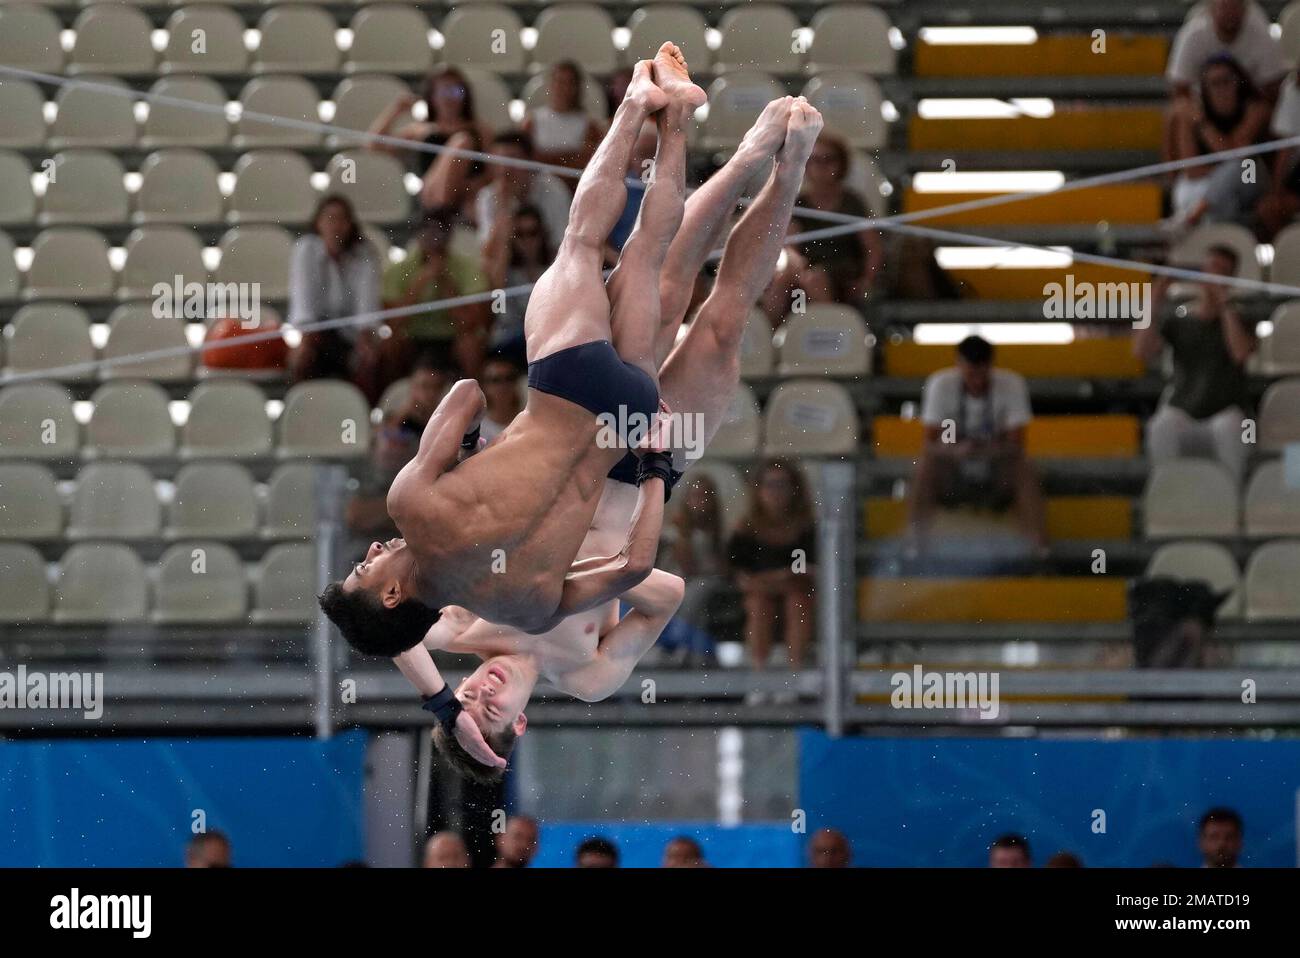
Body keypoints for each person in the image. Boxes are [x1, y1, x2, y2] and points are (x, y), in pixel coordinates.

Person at [391, 97, 822, 782]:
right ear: (521, 723)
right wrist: (578, 585)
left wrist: (443, 707)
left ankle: (749, 154)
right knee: (723, 323)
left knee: (672, 277)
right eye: (493, 714)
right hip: (647, 466)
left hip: (586, 433)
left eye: (472, 697)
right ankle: (791, 166)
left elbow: (380, 628)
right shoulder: (588, 675)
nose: (487, 693)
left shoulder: (458, 626)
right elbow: (668, 593)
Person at [321, 49, 706, 716]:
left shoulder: (517, 609)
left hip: (627, 422)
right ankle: (640, 103)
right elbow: (468, 390)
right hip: (565, 380)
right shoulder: (412, 504)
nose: (373, 550)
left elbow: (635, 570)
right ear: (389, 594)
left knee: (647, 254)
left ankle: (678, 127)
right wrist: (471, 453)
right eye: (367, 567)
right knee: (584, 241)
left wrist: (654, 471)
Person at [906, 335, 1049, 557]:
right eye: (970, 374)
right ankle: (915, 546)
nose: (976, 381)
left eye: (981, 374)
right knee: (925, 466)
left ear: (990, 366)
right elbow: (930, 444)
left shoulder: (1010, 384)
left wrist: (985, 450)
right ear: (958, 365)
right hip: (953, 470)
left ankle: (1038, 548)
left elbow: (1016, 445)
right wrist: (955, 450)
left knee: (1024, 468)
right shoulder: (941, 385)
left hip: (996, 469)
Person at [1134, 246, 1256, 482]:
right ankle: (1168, 491)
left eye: (1222, 271)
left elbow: (1240, 353)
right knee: (1161, 426)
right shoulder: (1180, 320)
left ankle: (1233, 497)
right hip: (1187, 413)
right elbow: (1140, 350)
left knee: (1231, 428)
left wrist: (1223, 301)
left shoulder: (1242, 318)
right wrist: (1157, 293)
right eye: (1210, 268)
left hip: (1235, 416)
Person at [345, 355, 454, 544]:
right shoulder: (396, 423)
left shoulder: (453, 429)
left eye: (435, 388)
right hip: (387, 496)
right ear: (412, 389)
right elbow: (382, 448)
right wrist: (405, 413)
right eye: (423, 387)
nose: (429, 395)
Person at [729, 459, 816, 687]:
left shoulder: (806, 528)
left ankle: (795, 676)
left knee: (797, 601)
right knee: (759, 604)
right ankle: (759, 679)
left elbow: (809, 571)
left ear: (794, 489)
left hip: (797, 592)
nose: (775, 492)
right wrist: (778, 578)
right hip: (757, 595)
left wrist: (774, 580)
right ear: (758, 490)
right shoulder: (746, 529)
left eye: (782, 485)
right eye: (769, 485)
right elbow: (739, 576)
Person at [287, 194, 384, 399]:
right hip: (317, 333)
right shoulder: (305, 251)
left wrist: (365, 341)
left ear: (350, 224)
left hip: (351, 334)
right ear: (318, 223)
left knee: (370, 361)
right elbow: (304, 302)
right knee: (301, 359)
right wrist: (306, 343)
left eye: (341, 219)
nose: (336, 226)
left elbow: (366, 304)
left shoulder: (366, 254)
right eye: (330, 219)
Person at [381, 207, 490, 377]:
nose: (433, 237)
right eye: (427, 230)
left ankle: (475, 392)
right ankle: (391, 395)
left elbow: (471, 323)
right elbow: (393, 322)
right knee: (390, 342)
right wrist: (420, 283)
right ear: (418, 234)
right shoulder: (398, 270)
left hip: (452, 338)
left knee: (471, 343)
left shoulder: (468, 269)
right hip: (413, 337)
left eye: (439, 229)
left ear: (450, 234)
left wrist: (445, 282)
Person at [368, 68, 493, 211]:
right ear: (432, 96)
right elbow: (374, 146)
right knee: (462, 141)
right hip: (433, 196)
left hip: (468, 198)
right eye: (443, 92)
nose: (449, 98)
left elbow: (492, 171)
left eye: (456, 91)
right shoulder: (419, 130)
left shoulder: (480, 130)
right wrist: (396, 110)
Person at [1167, 55, 1270, 228]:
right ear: (1204, 90)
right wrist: (1219, 173)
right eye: (1214, 84)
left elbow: (1233, 154)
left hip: (1251, 178)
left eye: (1226, 81)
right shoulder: (1192, 114)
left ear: (1239, 82)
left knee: (1239, 166)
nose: (1221, 90)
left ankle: (1191, 219)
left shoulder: (1255, 108)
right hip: (1216, 187)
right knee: (1188, 189)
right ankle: (1201, 225)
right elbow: (1191, 170)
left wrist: (1204, 125)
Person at [794, 131, 884, 305]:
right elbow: (790, 248)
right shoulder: (799, 204)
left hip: (845, 272)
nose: (821, 166)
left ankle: (830, 327)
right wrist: (799, 270)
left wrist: (867, 281)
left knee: (815, 279)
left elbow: (873, 249)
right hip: (806, 272)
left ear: (841, 164)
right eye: (815, 160)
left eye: (828, 159)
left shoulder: (853, 202)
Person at [1166, 0, 1285, 103]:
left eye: (1233, 6)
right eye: (1224, 6)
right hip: (1202, 110)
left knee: (1263, 110)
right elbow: (1179, 87)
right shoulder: (1192, 34)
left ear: (1244, 10)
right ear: (1211, 10)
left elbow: (1272, 88)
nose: (1229, 13)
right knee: (1180, 111)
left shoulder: (1261, 33)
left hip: (1247, 109)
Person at [474, 131, 573, 253]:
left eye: (512, 160)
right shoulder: (488, 196)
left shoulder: (553, 190)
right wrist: (503, 207)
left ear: (529, 162)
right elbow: (488, 253)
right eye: (499, 161)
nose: (505, 169)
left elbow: (563, 245)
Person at [481, 204, 555, 363]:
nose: (527, 240)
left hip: (544, 339)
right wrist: (506, 246)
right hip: (512, 340)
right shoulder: (506, 273)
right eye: (520, 235)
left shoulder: (554, 269)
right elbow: (497, 307)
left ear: (542, 234)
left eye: (532, 233)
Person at [523, 61, 604, 170]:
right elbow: (525, 157)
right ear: (551, 85)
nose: (564, 88)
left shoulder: (590, 126)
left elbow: (587, 161)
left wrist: (546, 157)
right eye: (559, 82)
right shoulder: (532, 121)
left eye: (570, 83)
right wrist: (569, 156)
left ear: (577, 88)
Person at [477, 355, 524, 441]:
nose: (503, 385)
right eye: (495, 380)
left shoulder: (529, 422)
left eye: (509, 378)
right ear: (484, 387)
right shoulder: (477, 431)